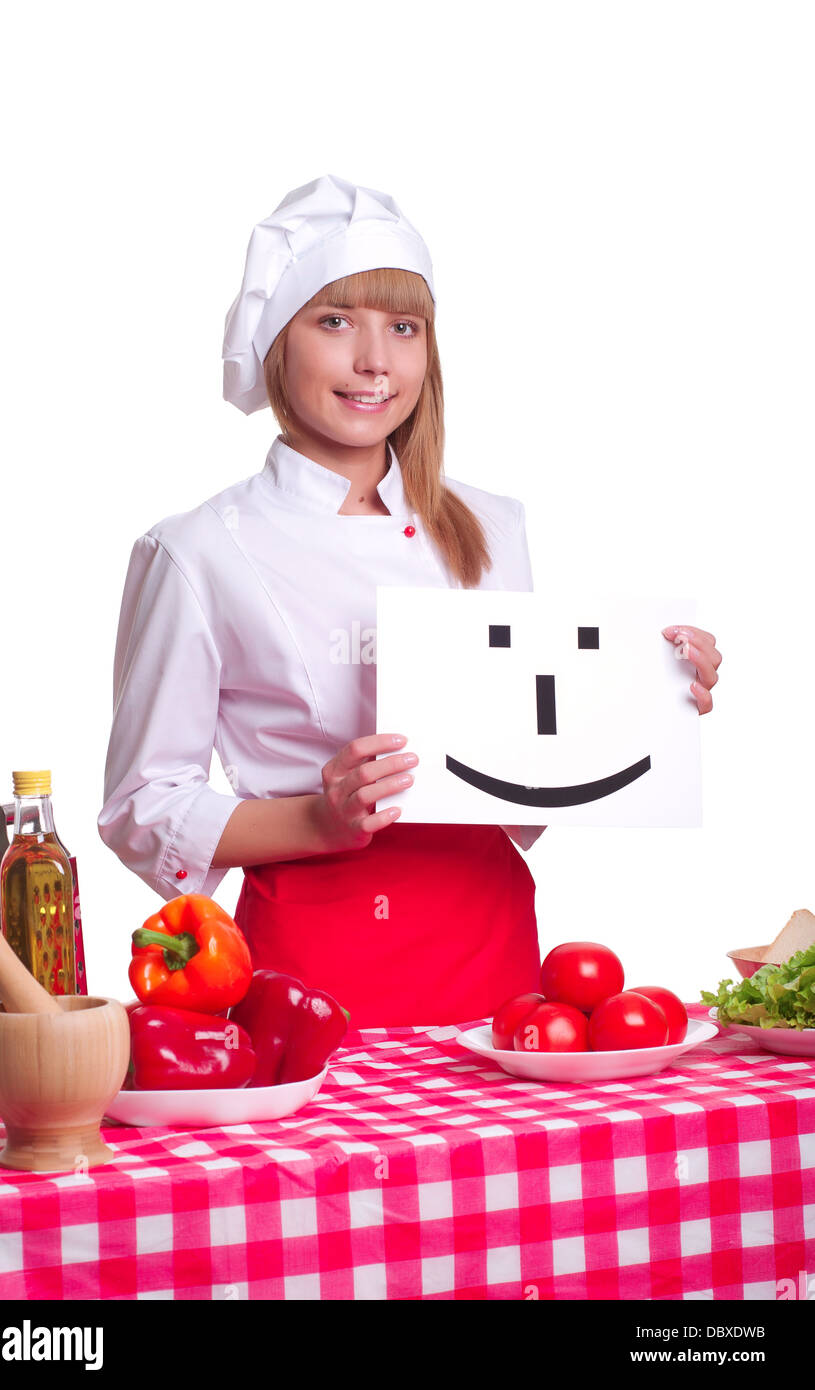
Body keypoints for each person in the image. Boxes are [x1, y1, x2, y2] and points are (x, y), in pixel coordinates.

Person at [98, 174, 722, 1027]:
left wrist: (644, 695)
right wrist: (321, 819)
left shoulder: (493, 526)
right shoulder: (201, 549)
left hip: (491, 943)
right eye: (334, 322)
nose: (374, 362)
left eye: (403, 328)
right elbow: (143, 806)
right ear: (278, 344)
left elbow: (516, 760)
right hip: (314, 965)